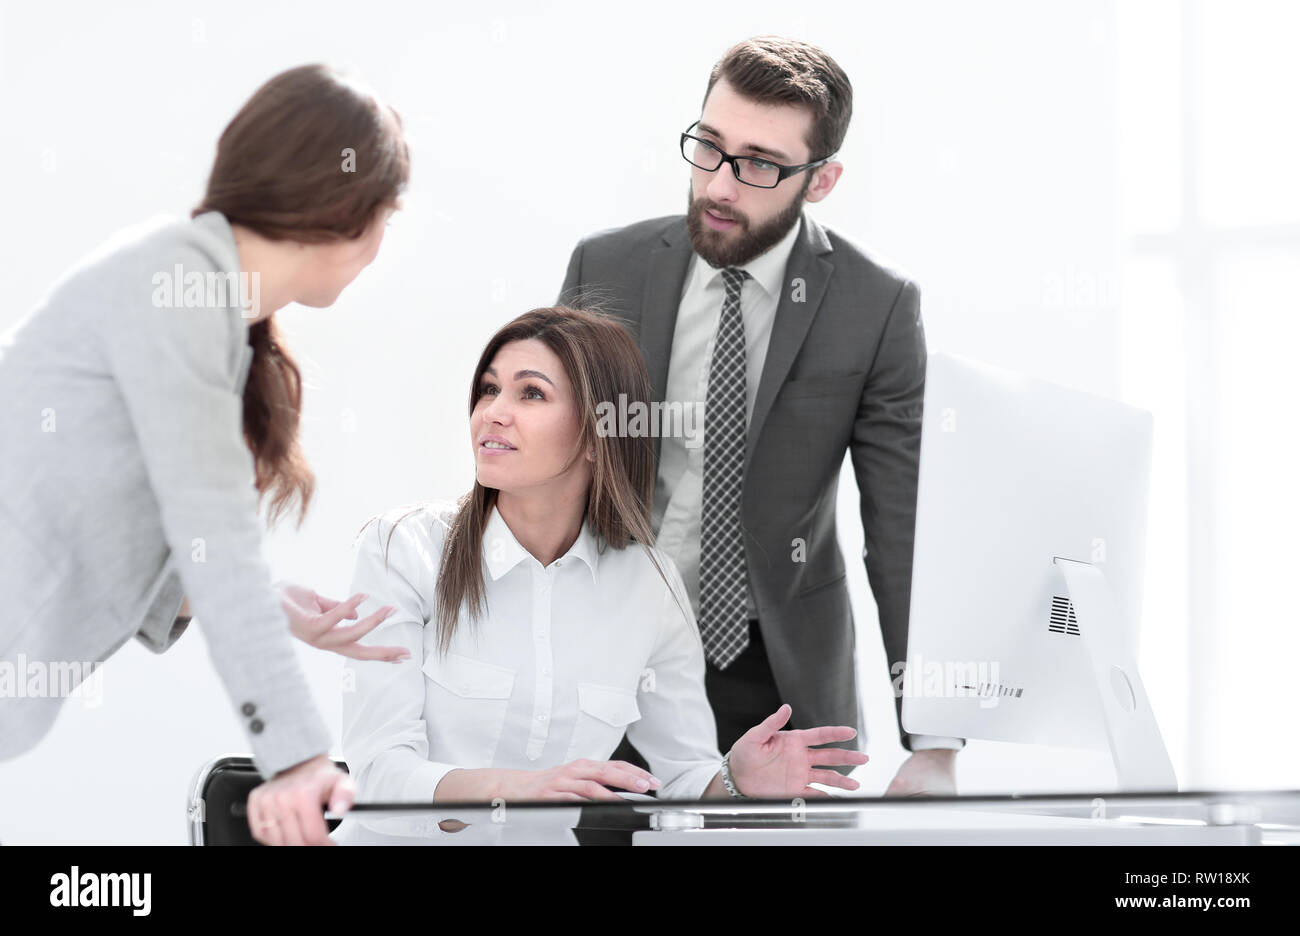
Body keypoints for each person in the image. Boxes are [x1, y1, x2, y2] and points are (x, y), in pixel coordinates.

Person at [0, 64, 411, 846]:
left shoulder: (200, 299)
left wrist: (263, 599)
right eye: (387, 214)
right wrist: (297, 759)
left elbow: (154, 538)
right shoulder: (178, 288)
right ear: (345, 213)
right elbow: (217, 540)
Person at [558, 36, 965, 798]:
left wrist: (934, 737)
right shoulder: (603, 268)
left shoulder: (874, 307)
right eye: (708, 147)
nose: (719, 184)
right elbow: (544, 470)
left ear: (822, 180)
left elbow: (901, 524)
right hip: (605, 653)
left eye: (759, 164)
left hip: (774, 672)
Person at [331, 307, 869, 845]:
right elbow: (377, 775)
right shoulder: (402, 549)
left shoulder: (649, 582)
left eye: (531, 394)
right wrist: (514, 790)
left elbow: (682, 774)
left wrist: (734, 781)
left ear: (597, 434)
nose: (493, 413)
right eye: (489, 389)